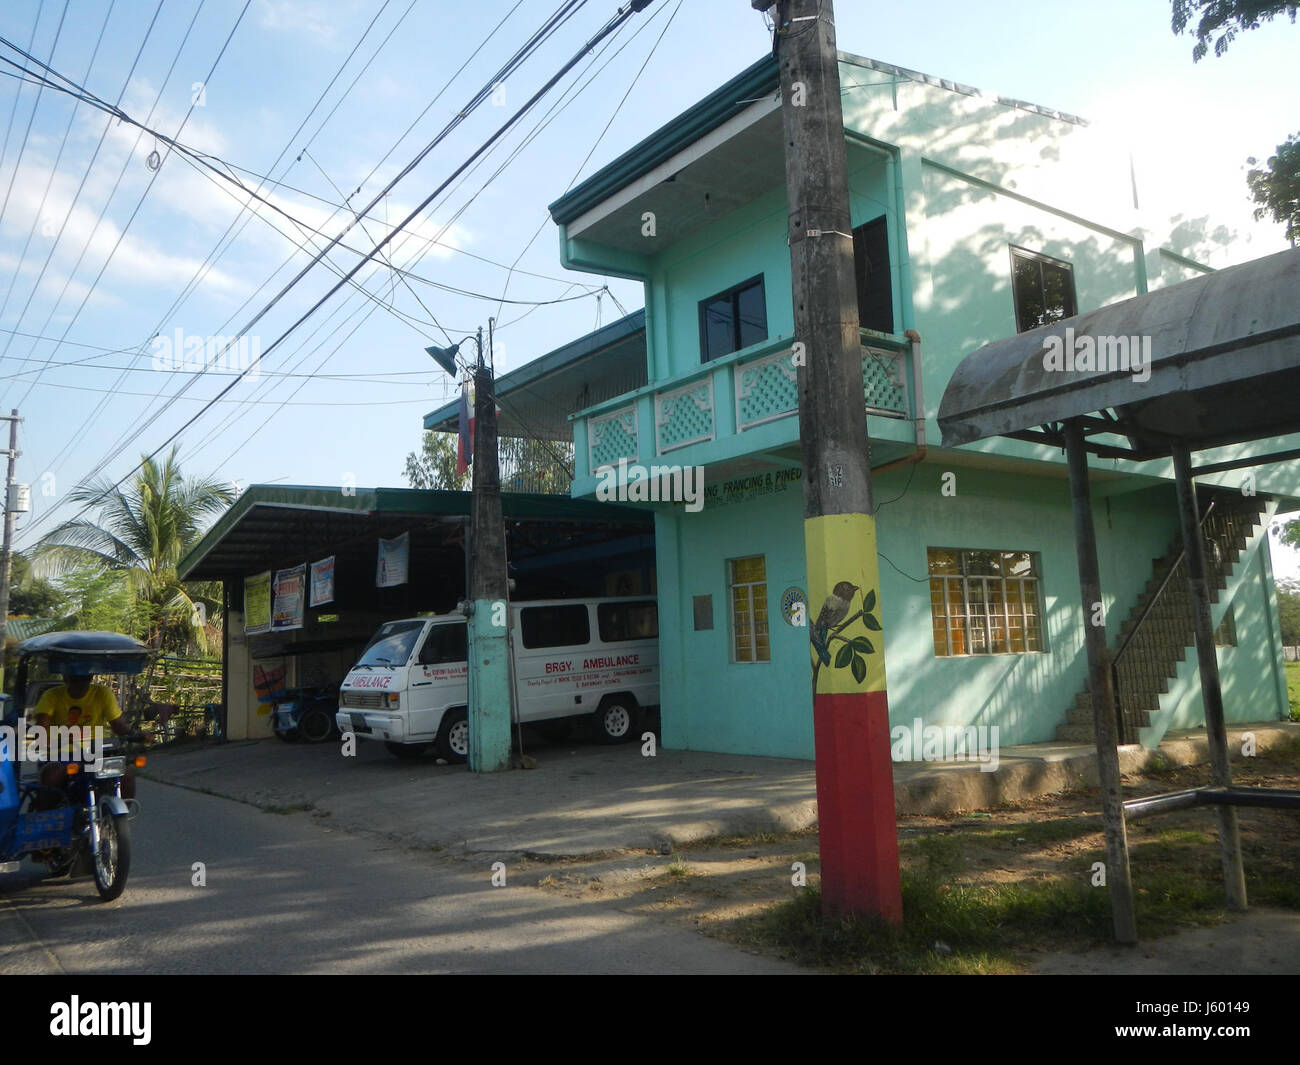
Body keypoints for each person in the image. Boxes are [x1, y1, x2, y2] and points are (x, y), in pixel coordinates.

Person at [33, 674, 139, 800]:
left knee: (126, 773)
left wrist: (136, 736)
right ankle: (45, 814)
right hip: (60, 753)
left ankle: (122, 814)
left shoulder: (102, 693)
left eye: (85, 678)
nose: (80, 683)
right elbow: (41, 727)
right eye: (75, 678)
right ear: (66, 678)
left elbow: (118, 725)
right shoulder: (51, 696)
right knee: (53, 775)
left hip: (95, 753)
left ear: (90, 678)